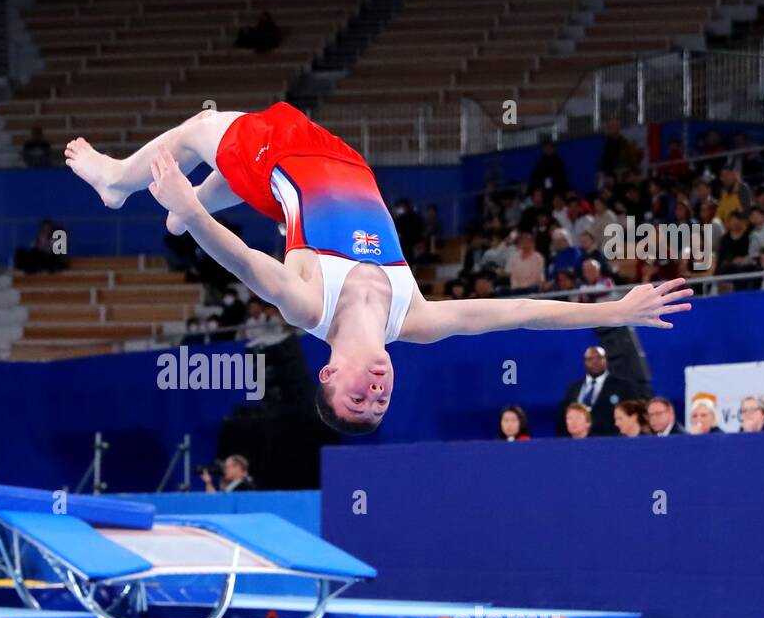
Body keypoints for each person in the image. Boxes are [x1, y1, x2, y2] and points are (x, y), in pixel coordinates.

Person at [67, 104, 692, 434]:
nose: (377, 393)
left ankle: (116, 182)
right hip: (343, 163)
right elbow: (518, 313)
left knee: (204, 127)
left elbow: (245, 260)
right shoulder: (413, 319)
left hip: (286, 161)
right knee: (231, 173)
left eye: (357, 398)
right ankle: (192, 202)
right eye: (380, 404)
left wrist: (194, 220)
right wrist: (611, 312)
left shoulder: (308, 308)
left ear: (330, 371)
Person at [555, 345, 640, 437]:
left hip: (610, 442)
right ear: (585, 362)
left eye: (599, 358)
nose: (595, 362)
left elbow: (633, 416)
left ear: (606, 360)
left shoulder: (623, 386)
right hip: (578, 444)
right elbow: (563, 418)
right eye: (590, 359)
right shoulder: (573, 388)